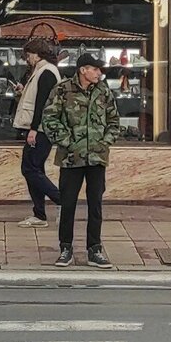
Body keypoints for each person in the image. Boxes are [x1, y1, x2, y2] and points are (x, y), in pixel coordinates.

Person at [41, 53, 120, 269]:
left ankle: (94, 249)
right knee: (68, 204)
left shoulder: (103, 91)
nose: (99, 73)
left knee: (95, 204)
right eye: (95, 69)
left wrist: (105, 142)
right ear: (83, 70)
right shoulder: (63, 89)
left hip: (96, 157)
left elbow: (114, 120)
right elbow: (49, 118)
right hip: (71, 158)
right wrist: (67, 141)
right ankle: (66, 248)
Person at [13, 38, 62, 228]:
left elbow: (42, 103)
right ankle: (39, 214)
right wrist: (23, 91)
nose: (28, 59)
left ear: (36, 54)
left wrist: (34, 128)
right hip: (39, 129)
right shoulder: (44, 71)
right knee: (36, 169)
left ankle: (61, 201)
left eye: (29, 54)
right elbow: (37, 98)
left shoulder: (46, 72)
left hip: (40, 130)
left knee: (30, 169)